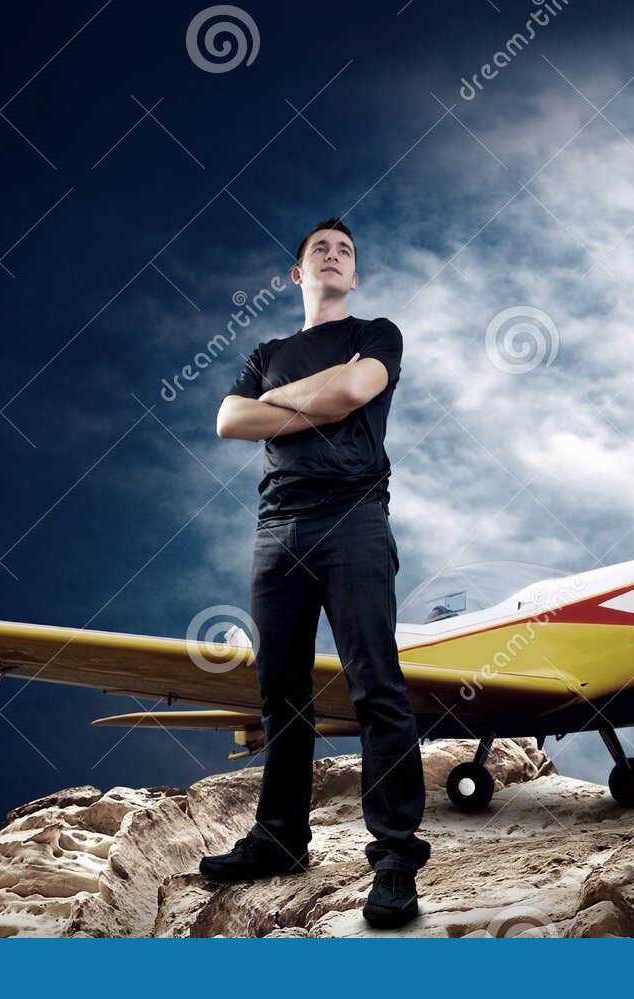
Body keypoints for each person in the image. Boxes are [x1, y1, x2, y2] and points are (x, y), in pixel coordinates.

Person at [198, 218, 429, 929]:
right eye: (319, 250)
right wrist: (317, 396)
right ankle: (280, 840)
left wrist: (279, 405)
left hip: (353, 519)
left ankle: (395, 858)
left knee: (375, 685)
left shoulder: (377, 334)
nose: (333, 256)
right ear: (298, 274)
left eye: (345, 251)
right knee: (281, 694)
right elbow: (229, 420)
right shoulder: (266, 352)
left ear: (353, 276)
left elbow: (353, 391)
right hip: (277, 529)